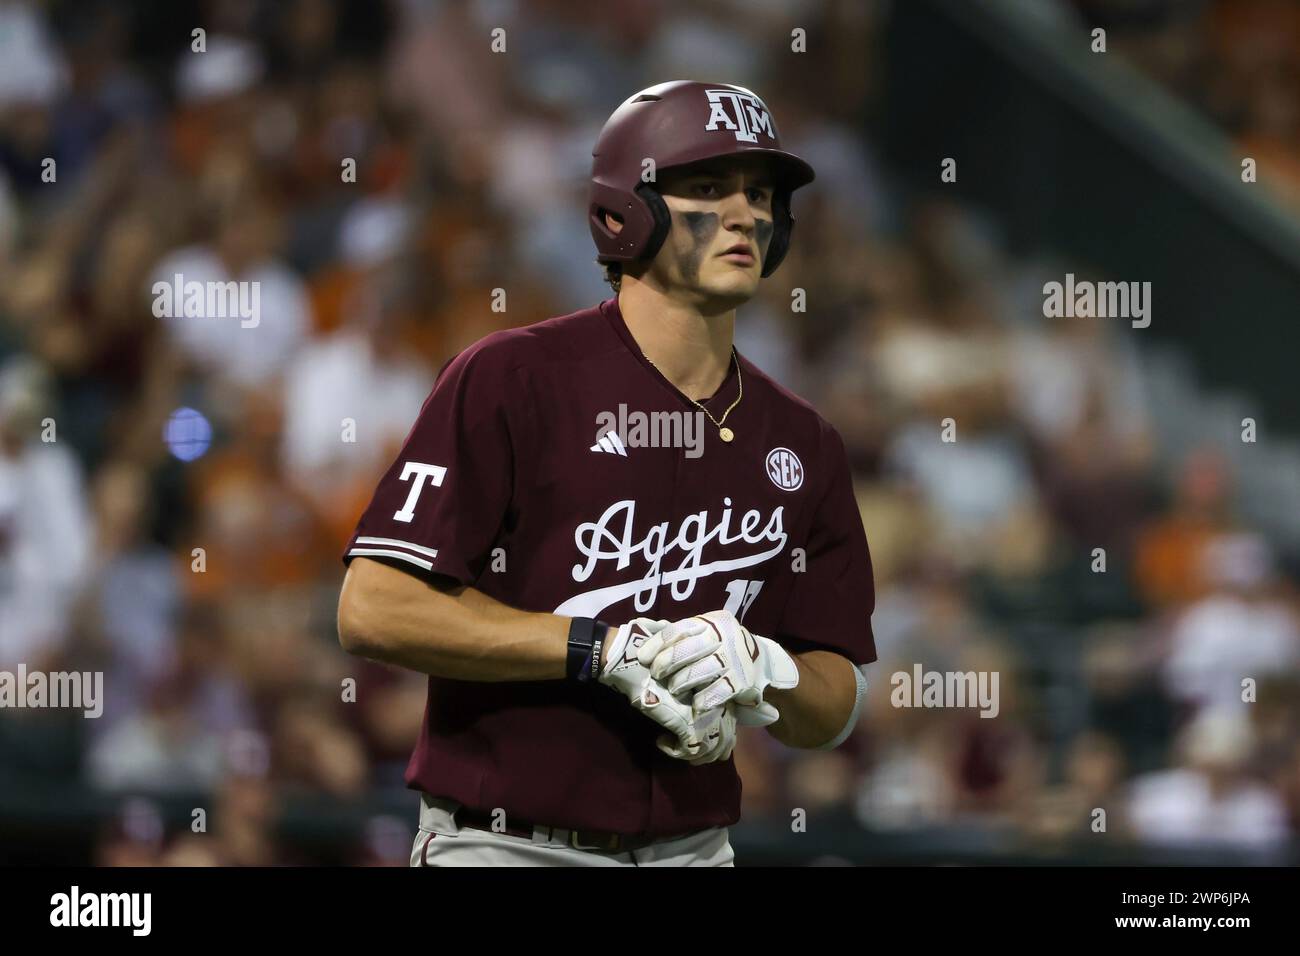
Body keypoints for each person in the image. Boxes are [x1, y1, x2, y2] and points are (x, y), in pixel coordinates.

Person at [336, 81, 876, 866]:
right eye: (706, 186)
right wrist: (595, 648)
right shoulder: (514, 378)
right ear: (629, 207)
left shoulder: (803, 440)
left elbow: (836, 700)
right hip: (508, 844)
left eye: (761, 194)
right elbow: (372, 608)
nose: (745, 214)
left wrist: (767, 669)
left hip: (696, 849)